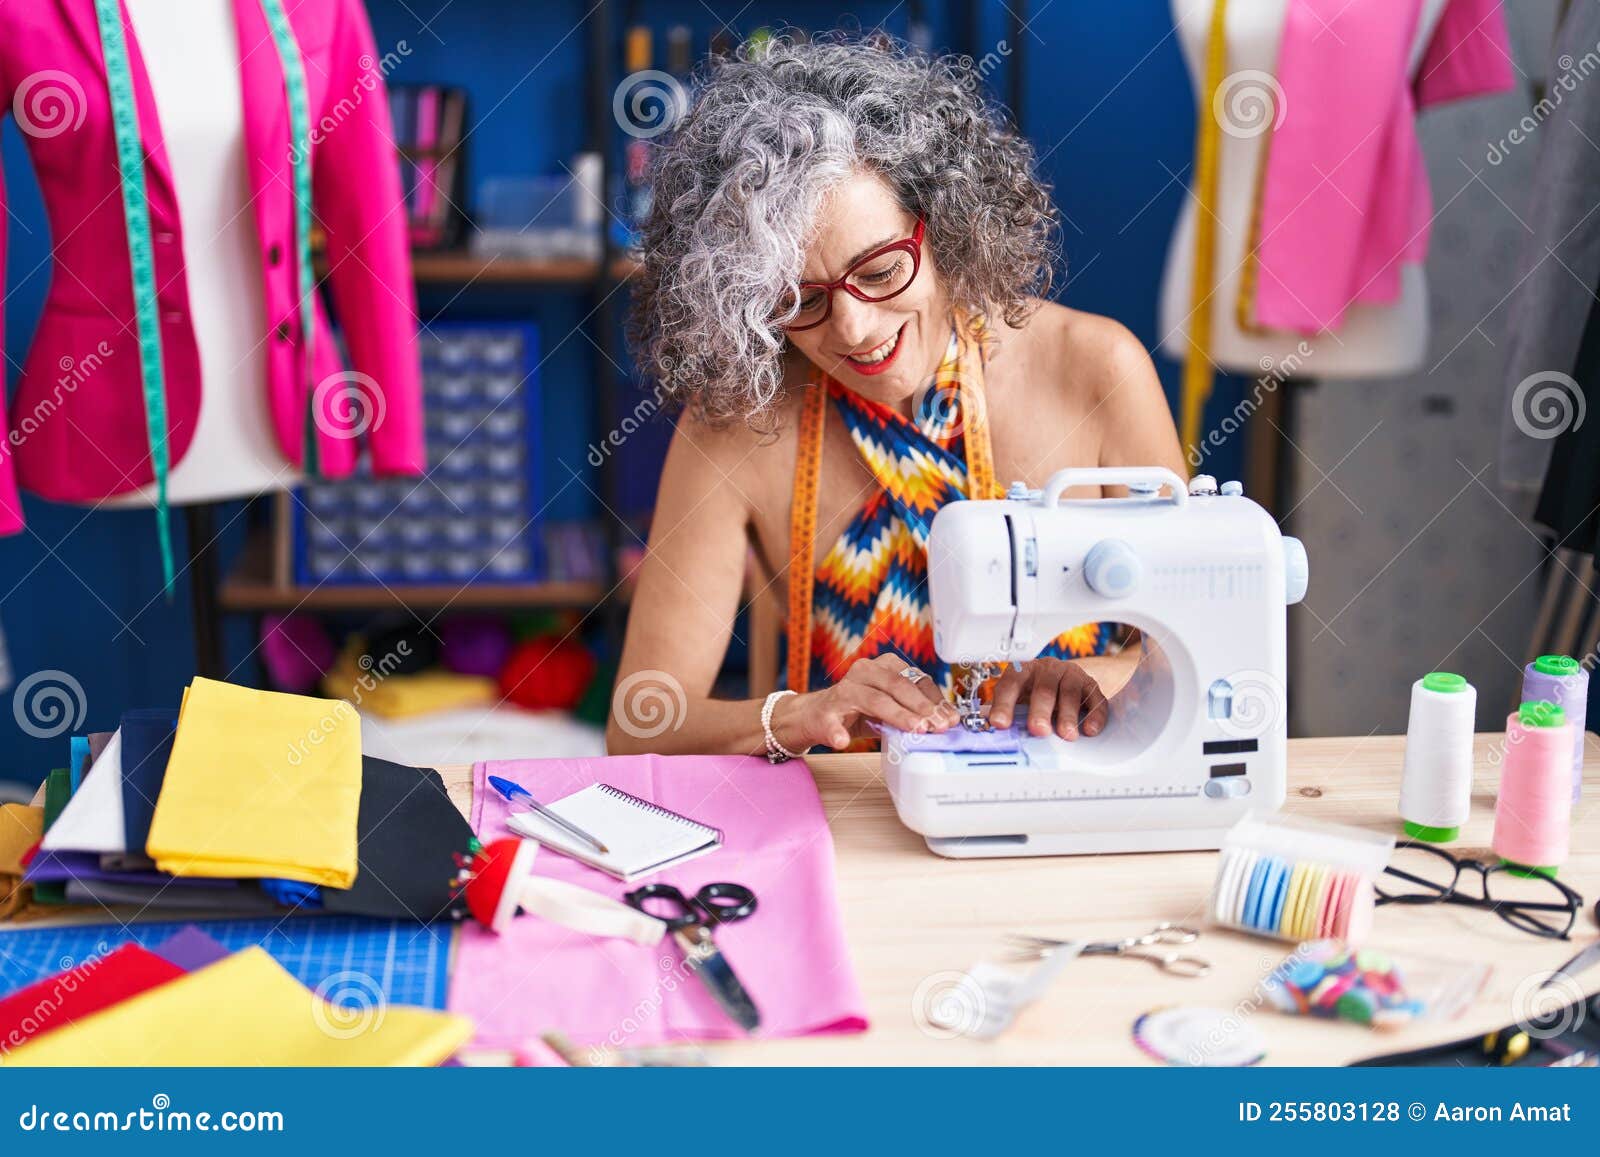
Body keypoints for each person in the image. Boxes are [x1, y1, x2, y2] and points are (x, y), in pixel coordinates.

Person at [609, 36, 1184, 759]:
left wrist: (1086, 676)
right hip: (850, 825)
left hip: (1078, 790)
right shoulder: (738, 424)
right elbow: (638, 727)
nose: (853, 327)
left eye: (879, 270)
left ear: (944, 226)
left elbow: (1197, 645)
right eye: (798, 299)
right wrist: (792, 716)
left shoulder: (1098, 370)